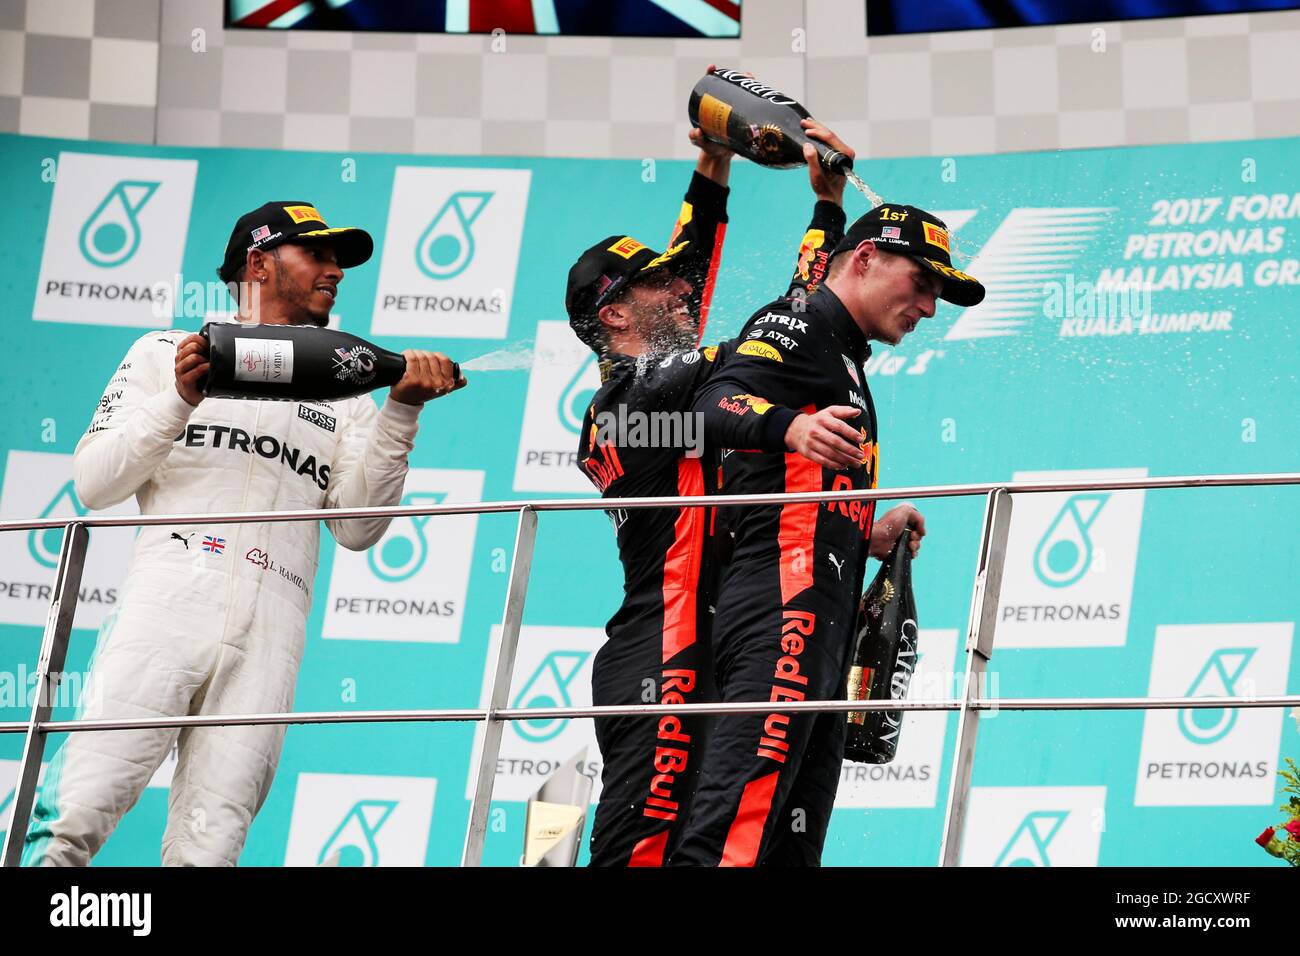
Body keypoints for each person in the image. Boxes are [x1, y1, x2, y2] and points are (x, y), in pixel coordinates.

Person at [22, 201, 464, 867]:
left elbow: (358, 528)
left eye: (337, 258)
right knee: (74, 817)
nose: (336, 270)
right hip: (168, 604)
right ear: (259, 262)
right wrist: (179, 399)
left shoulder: (349, 389)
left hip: (273, 635)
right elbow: (93, 483)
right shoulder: (166, 352)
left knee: (211, 850)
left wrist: (401, 409)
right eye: (316, 253)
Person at [571, 118, 867, 867]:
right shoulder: (622, 407)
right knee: (642, 850)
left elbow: (776, 320)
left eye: (677, 279)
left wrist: (716, 163)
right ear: (612, 315)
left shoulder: (672, 380)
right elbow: (791, 329)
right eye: (659, 284)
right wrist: (823, 242)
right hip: (660, 650)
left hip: (720, 639)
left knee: (727, 841)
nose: (683, 288)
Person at [669, 203, 986, 866]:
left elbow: (795, 490)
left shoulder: (844, 352)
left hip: (822, 619)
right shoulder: (802, 319)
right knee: (736, 824)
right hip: (781, 607)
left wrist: (866, 531)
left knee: (791, 842)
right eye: (921, 283)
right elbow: (709, 403)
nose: (929, 308)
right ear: (866, 259)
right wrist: (788, 425)